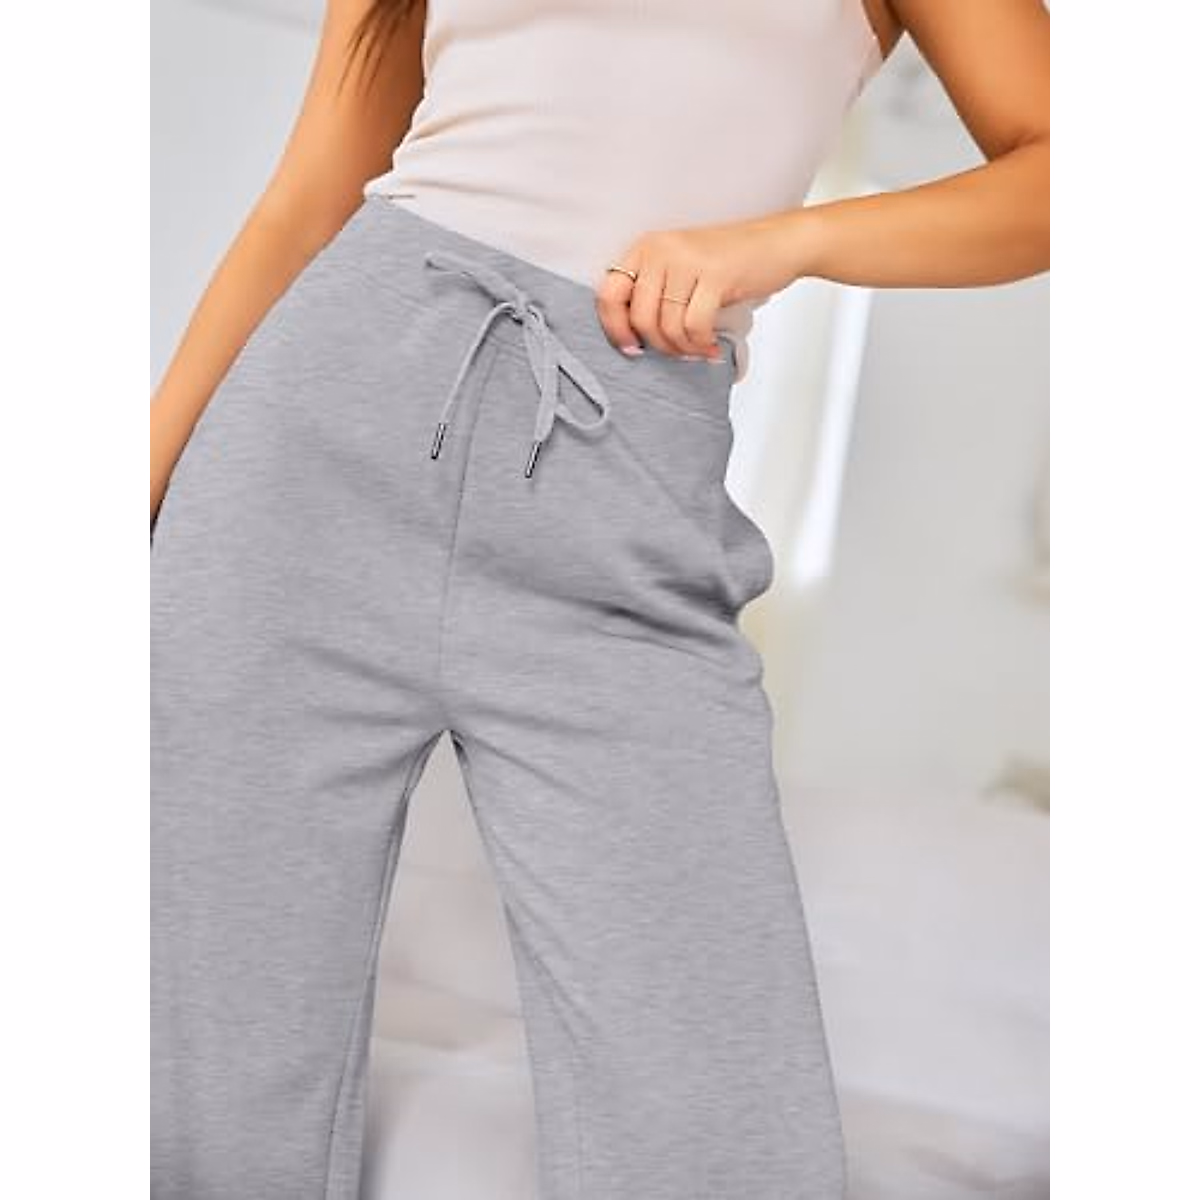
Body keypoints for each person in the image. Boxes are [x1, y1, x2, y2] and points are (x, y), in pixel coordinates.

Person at [149, 1, 1049, 1197]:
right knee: (206, 1068)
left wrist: (786, 243)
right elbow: (304, 203)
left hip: (625, 500)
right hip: (307, 462)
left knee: (716, 1131)